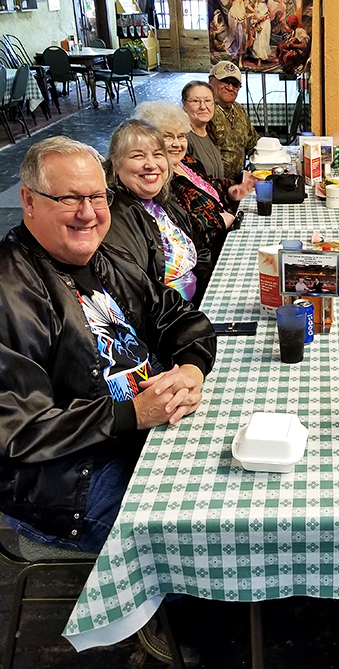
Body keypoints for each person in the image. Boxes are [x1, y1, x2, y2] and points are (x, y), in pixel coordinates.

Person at [0, 136, 216, 556]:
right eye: (69, 198)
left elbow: (179, 318)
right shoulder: (10, 288)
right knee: (196, 537)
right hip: (65, 483)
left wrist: (190, 367)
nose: (88, 214)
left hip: (143, 433)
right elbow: (17, 430)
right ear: (29, 200)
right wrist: (130, 414)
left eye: (98, 197)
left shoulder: (105, 258)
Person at [134, 100, 252, 265]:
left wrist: (232, 189)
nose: (177, 143)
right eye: (168, 137)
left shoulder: (186, 162)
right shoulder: (158, 180)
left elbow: (208, 185)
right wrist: (220, 221)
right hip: (210, 256)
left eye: (181, 136)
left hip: (229, 233)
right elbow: (184, 227)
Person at [106, 119, 211, 302]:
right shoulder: (115, 216)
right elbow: (137, 294)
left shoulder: (165, 203)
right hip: (170, 321)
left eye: (157, 154)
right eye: (138, 156)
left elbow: (200, 250)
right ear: (115, 163)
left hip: (198, 303)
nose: (151, 164)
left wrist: (211, 290)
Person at [207, 62, 260, 179]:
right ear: (211, 81)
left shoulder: (239, 110)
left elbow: (253, 142)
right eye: (225, 81)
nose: (230, 88)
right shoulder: (204, 111)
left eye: (235, 84)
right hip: (213, 184)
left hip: (238, 181)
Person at [181, 80, 226, 180]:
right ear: (184, 104)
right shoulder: (183, 139)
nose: (203, 107)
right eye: (195, 101)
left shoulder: (211, 132)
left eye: (208, 101)